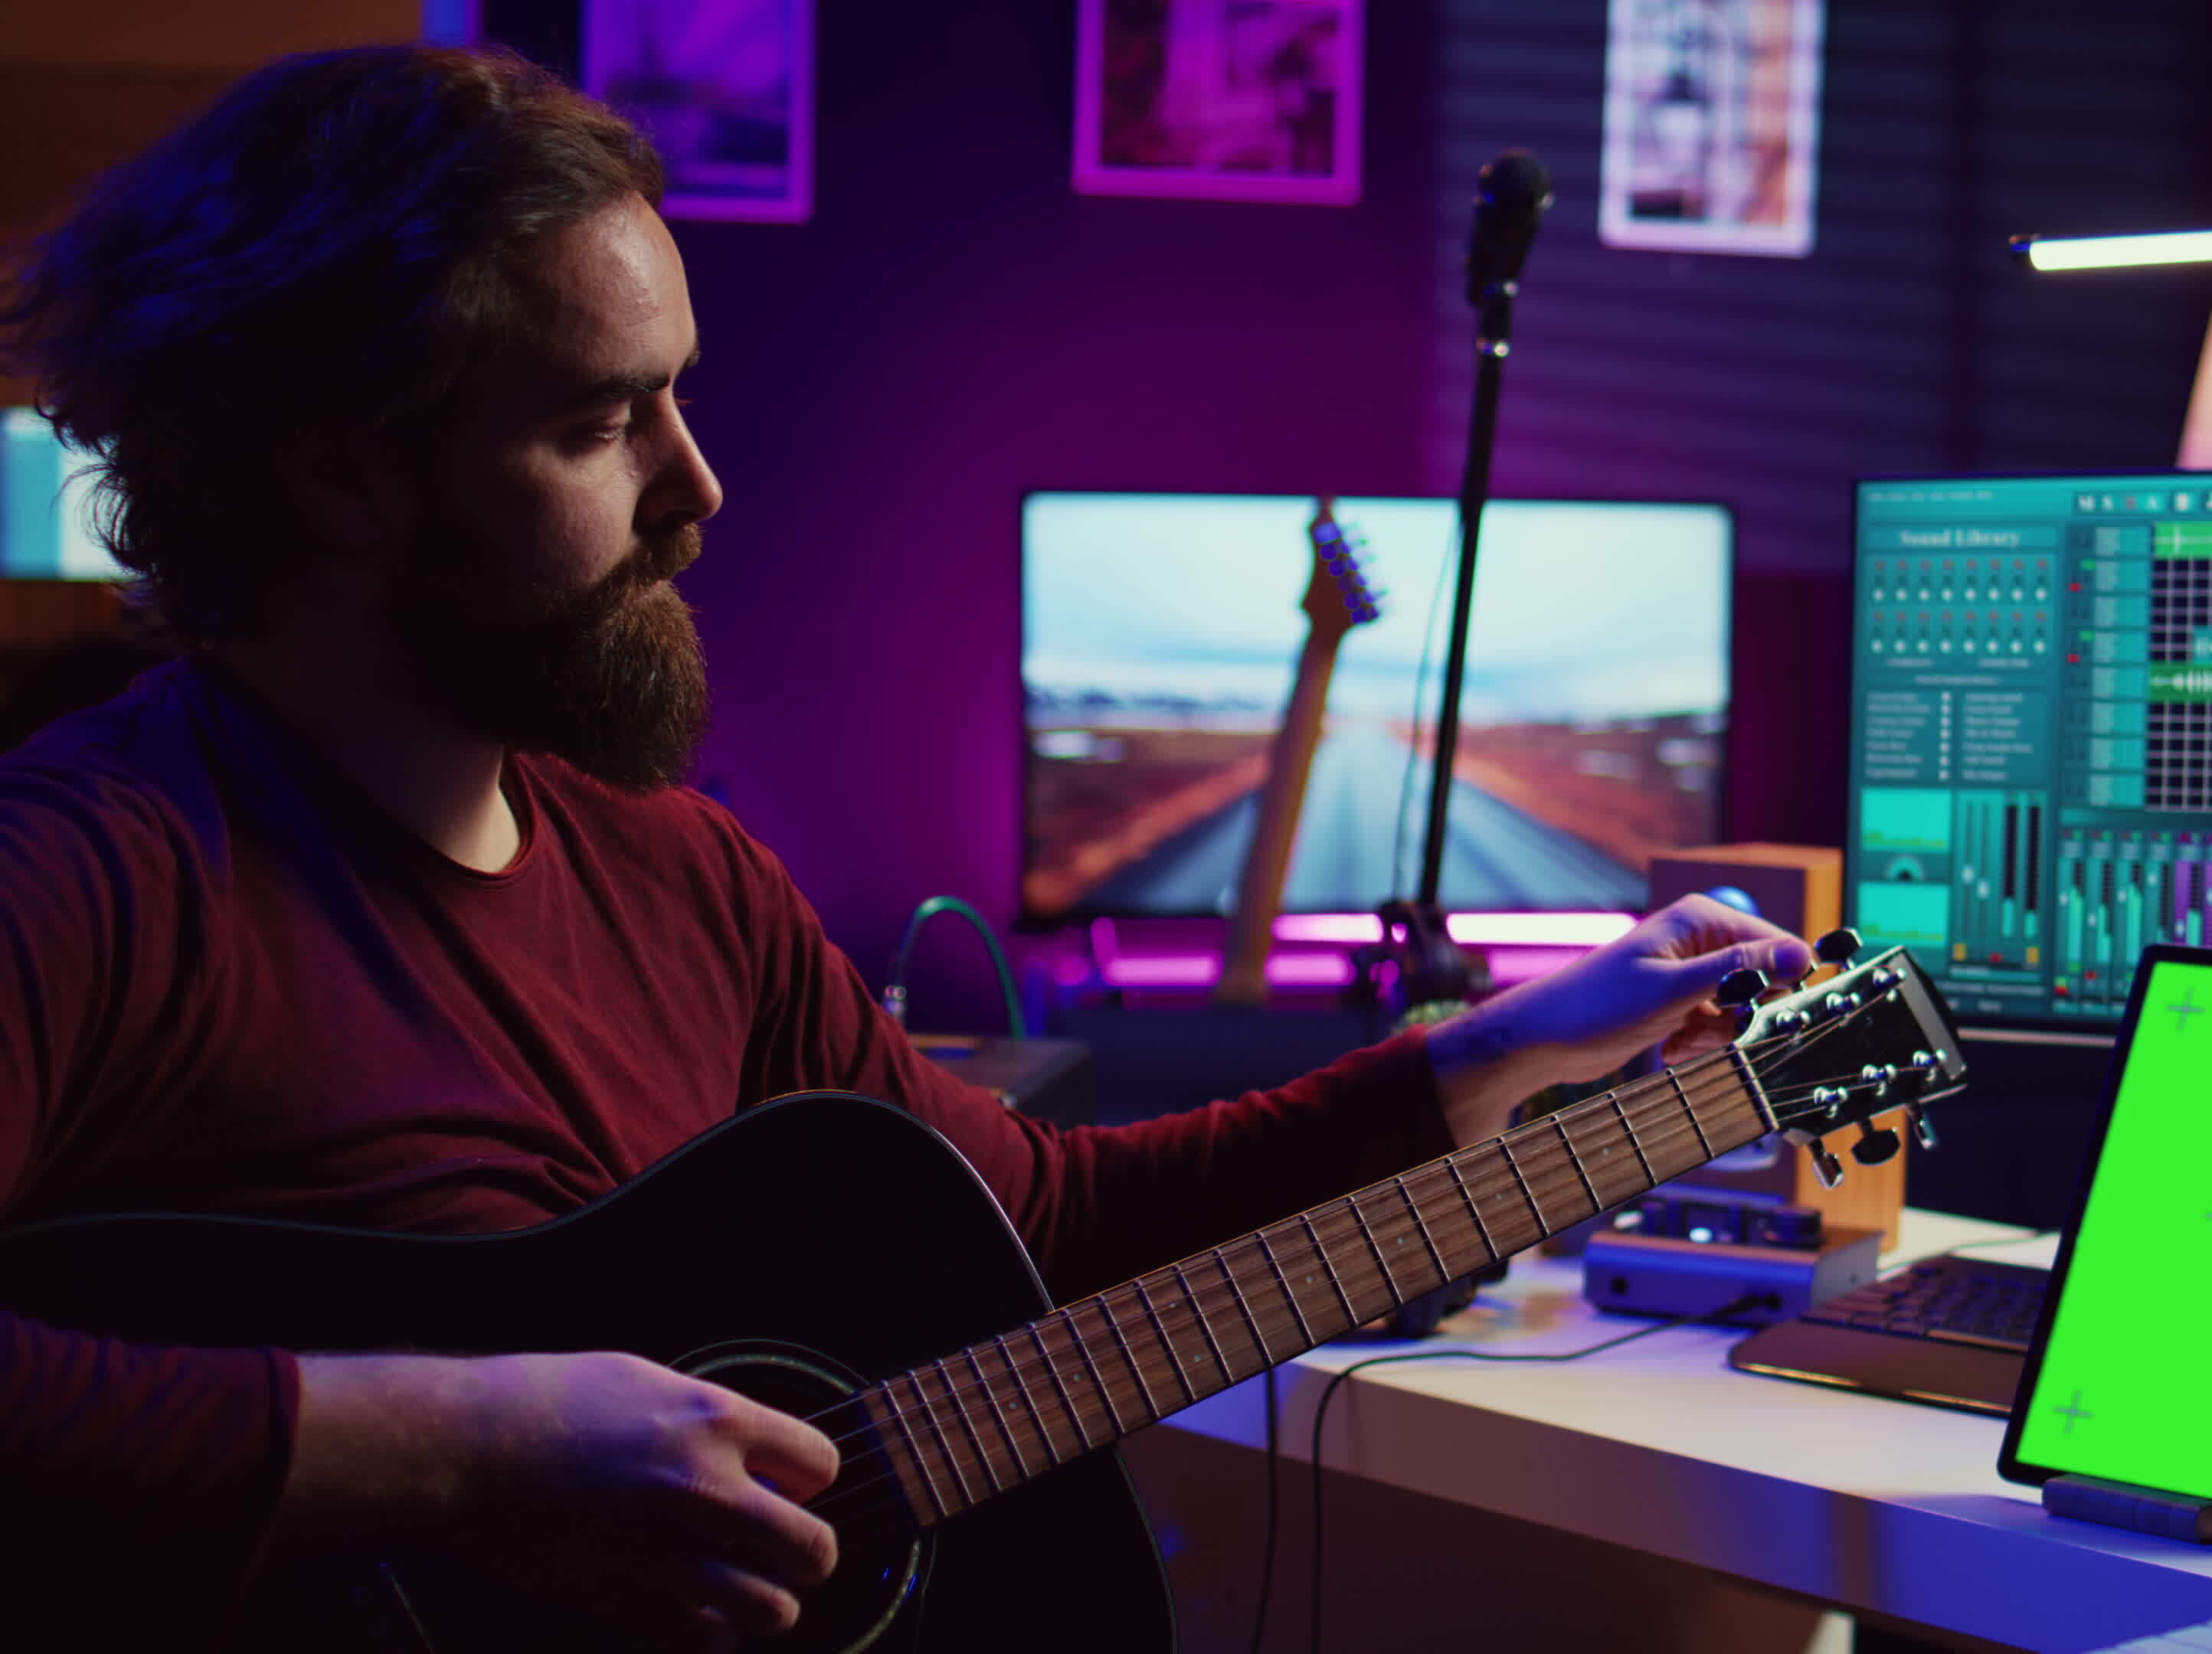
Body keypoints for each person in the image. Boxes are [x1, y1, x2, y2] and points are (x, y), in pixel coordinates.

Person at [0, 43, 1809, 1649]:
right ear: (344, 473)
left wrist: (1510, 1052)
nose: (698, 487)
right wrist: (457, 1454)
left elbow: (1046, 1225)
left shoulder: (680, 875)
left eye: (681, 397)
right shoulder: (96, 873)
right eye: (601, 421)